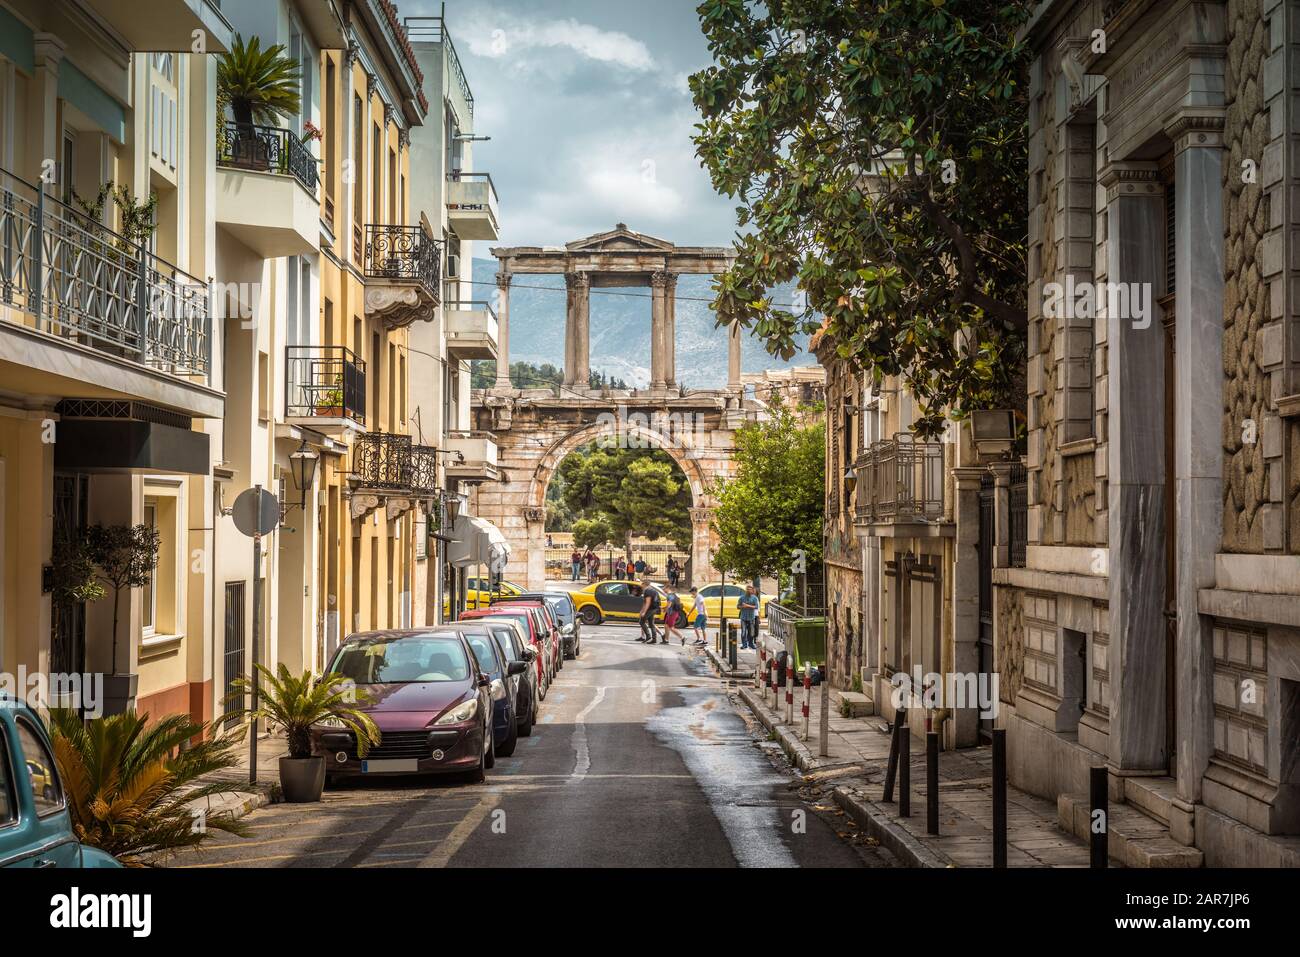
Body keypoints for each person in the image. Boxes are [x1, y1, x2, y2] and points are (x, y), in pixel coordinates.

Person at [738, 583, 760, 650]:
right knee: (743, 632)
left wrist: (747, 606)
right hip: (743, 617)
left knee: (751, 632)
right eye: (747, 589)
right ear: (746, 590)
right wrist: (742, 606)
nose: (749, 591)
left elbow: (756, 607)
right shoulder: (741, 598)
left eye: (750, 590)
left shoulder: (755, 598)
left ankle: (751, 644)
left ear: (752, 591)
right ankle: (744, 645)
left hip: (751, 617)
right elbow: (738, 606)